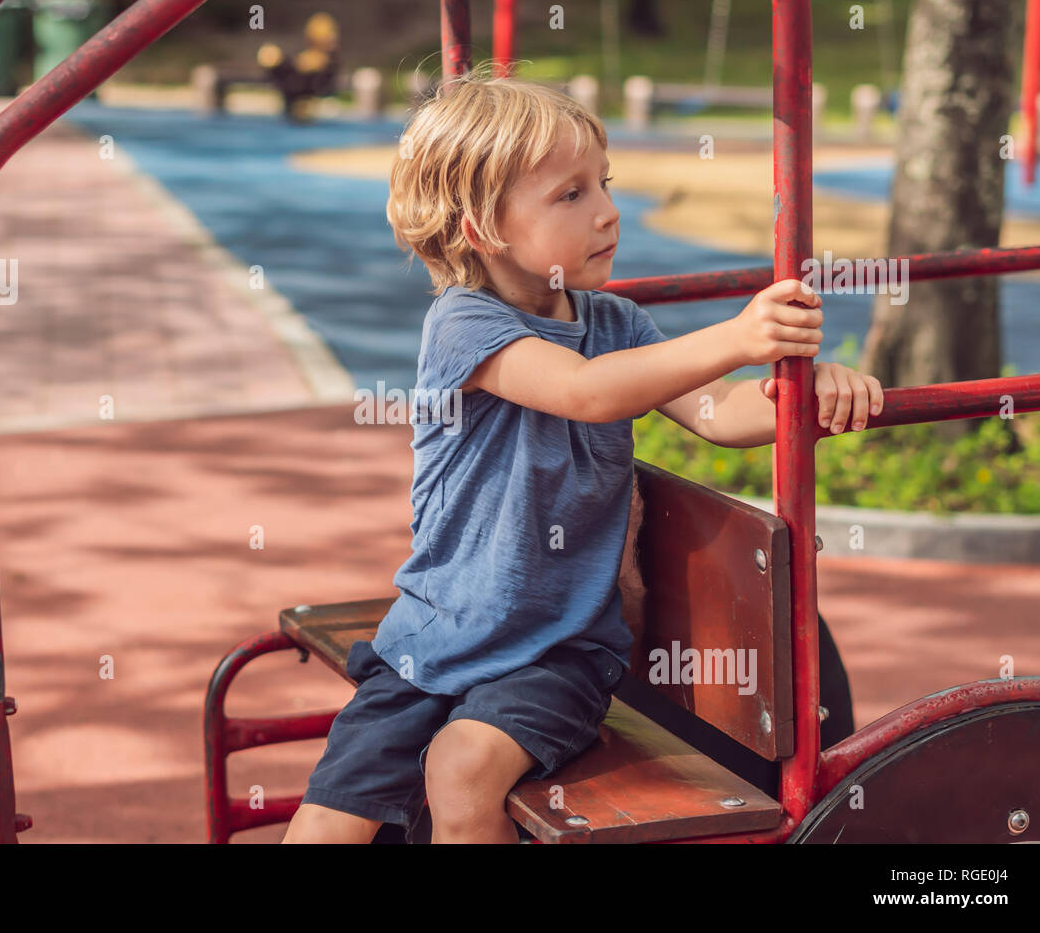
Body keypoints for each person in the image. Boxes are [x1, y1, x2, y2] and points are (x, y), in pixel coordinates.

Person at [282, 66, 884, 844]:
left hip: (557, 652)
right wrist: (735, 335)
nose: (608, 213)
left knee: (462, 770)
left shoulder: (617, 322)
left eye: (604, 183)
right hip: (429, 638)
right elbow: (588, 392)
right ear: (483, 231)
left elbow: (718, 412)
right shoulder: (464, 326)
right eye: (571, 196)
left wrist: (802, 393)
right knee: (329, 820)